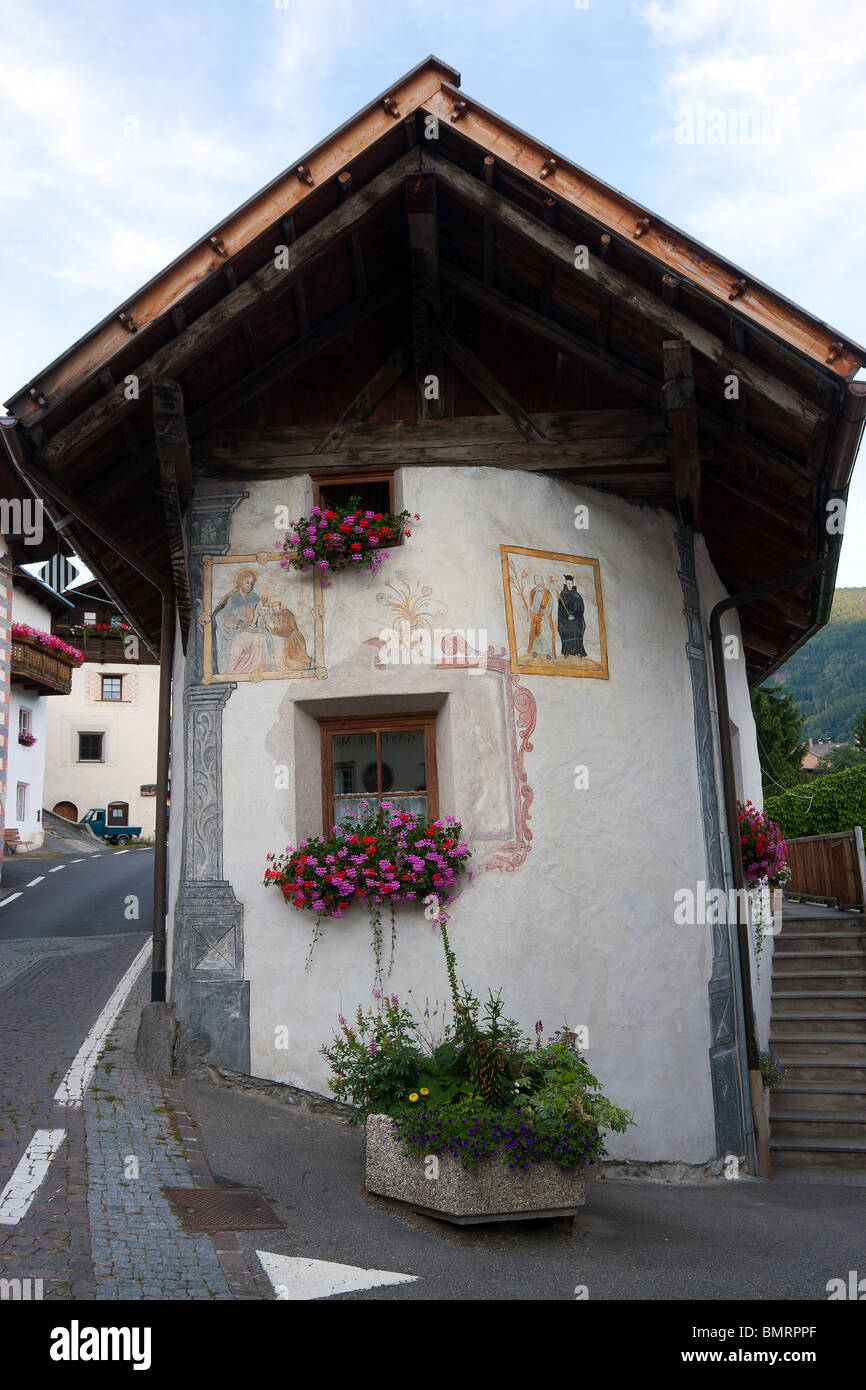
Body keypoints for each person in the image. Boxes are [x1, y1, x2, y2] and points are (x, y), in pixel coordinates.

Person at [211, 568, 275, 674]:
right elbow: (220, 616)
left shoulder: (254, 597)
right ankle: (236, 669)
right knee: (243, 638)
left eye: (252, 583)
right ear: (241, 582)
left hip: (252, 627)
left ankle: (261, 668)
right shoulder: (232, 598)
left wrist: (258, 618)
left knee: (264, 636)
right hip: (236, 630)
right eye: (247, 582)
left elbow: (259, 614)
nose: (250, 585)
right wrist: (236, 618)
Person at [267, 601, 312, 670]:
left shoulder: (286, 614)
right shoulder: (278, 616)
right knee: (291, 656)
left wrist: (275, 631)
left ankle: (305, 665)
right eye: (274, 610)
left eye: (276, 609)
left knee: (296, 656)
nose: (275, 611)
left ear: (280, 608)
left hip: (294, 638)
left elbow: (287, 629)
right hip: (289, 637)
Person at [525, 573, 556, 659]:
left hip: (544, 617)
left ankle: (548, 652)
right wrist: (530, 608)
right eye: (536, 580)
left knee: (545, 634)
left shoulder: (546, 592)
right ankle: (536, 650)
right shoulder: (533, 591)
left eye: (539, 579)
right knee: (536, 634)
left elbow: (550, 604)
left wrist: (545, 612)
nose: (538, 581)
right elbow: (531, 603)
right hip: (535, 616)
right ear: (534, 581)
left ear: (542, 581)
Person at [557, 574, 586, 658]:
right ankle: (567, 651)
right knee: (567, 632)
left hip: (576, 619)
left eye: (570, 583)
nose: (569, 585)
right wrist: (559, 601)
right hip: (566, 620)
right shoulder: (562, 594)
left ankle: (578, 651)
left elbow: (581, 608)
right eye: (567, 583)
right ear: (566, 584)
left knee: (576, 633)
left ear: (573, 584)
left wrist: (574, 616)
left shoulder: (577, 596)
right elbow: (561, 609)